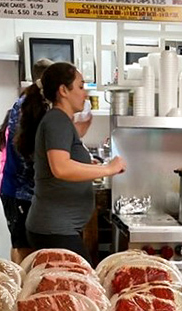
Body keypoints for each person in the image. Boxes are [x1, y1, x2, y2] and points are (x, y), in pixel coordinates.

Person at [16, 62, 126, 260]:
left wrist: (88, 166)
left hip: (57, 229)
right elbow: (61, 168)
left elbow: (63, 160)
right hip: (54, 229)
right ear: (63, 91)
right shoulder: (57, 121)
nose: (85, 93)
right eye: (81, 86)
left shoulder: (60, 121)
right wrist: (108, 169)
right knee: (84, 277)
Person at [0, 57, 52, 265]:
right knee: (23, 247)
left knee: (24, 244)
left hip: (24, 190)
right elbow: (26, 153)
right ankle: (21, 282)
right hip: (17, 190)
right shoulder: (26, 107)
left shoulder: (35, 105)